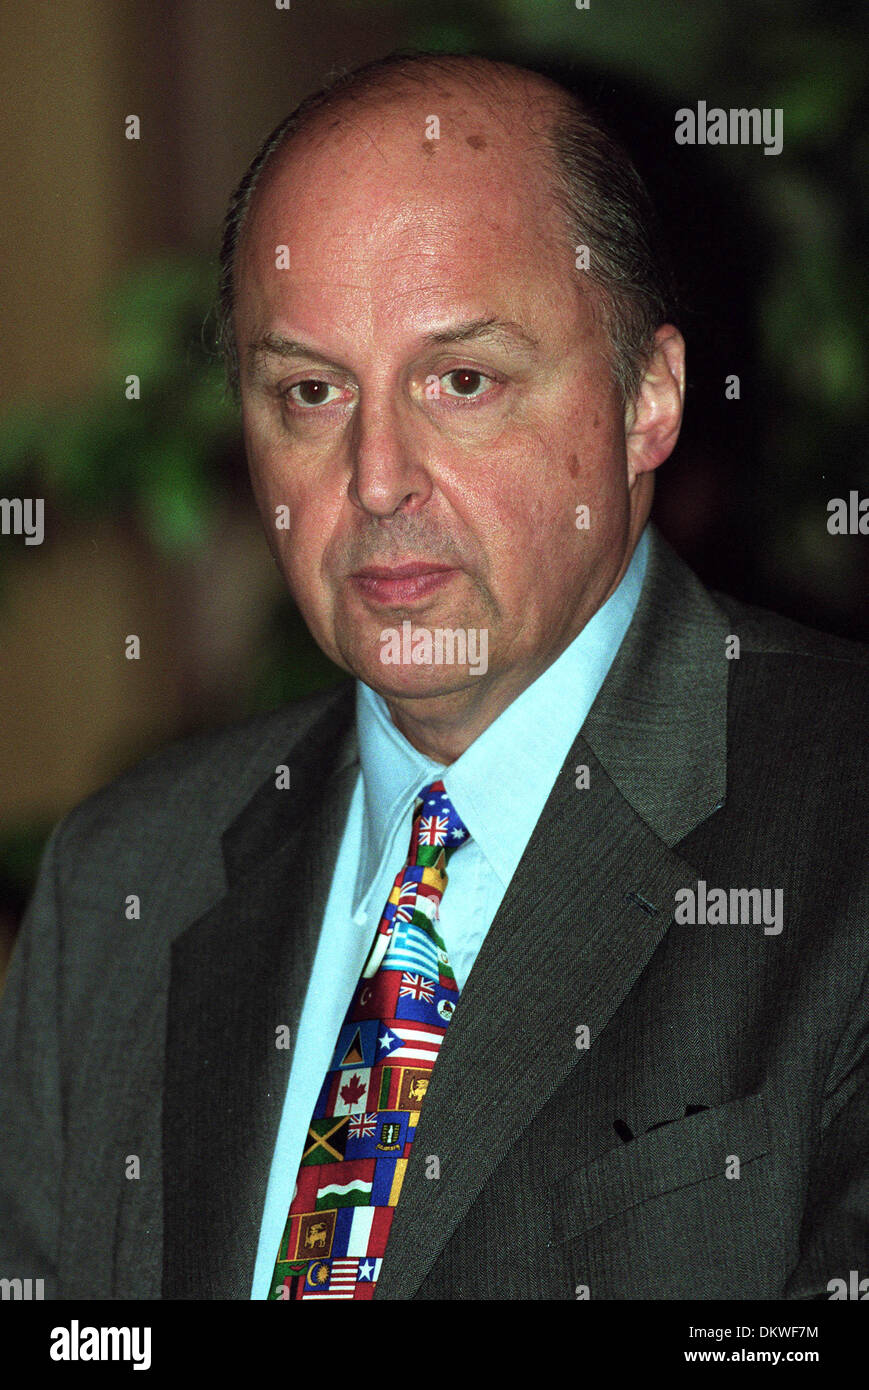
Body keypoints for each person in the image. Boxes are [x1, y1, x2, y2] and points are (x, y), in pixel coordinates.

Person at [0, 51, 866, 1302]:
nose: (374, 480)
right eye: (308, 393)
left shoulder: (837, 821)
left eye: (462, 381)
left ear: (648, 400)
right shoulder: (123, 880)